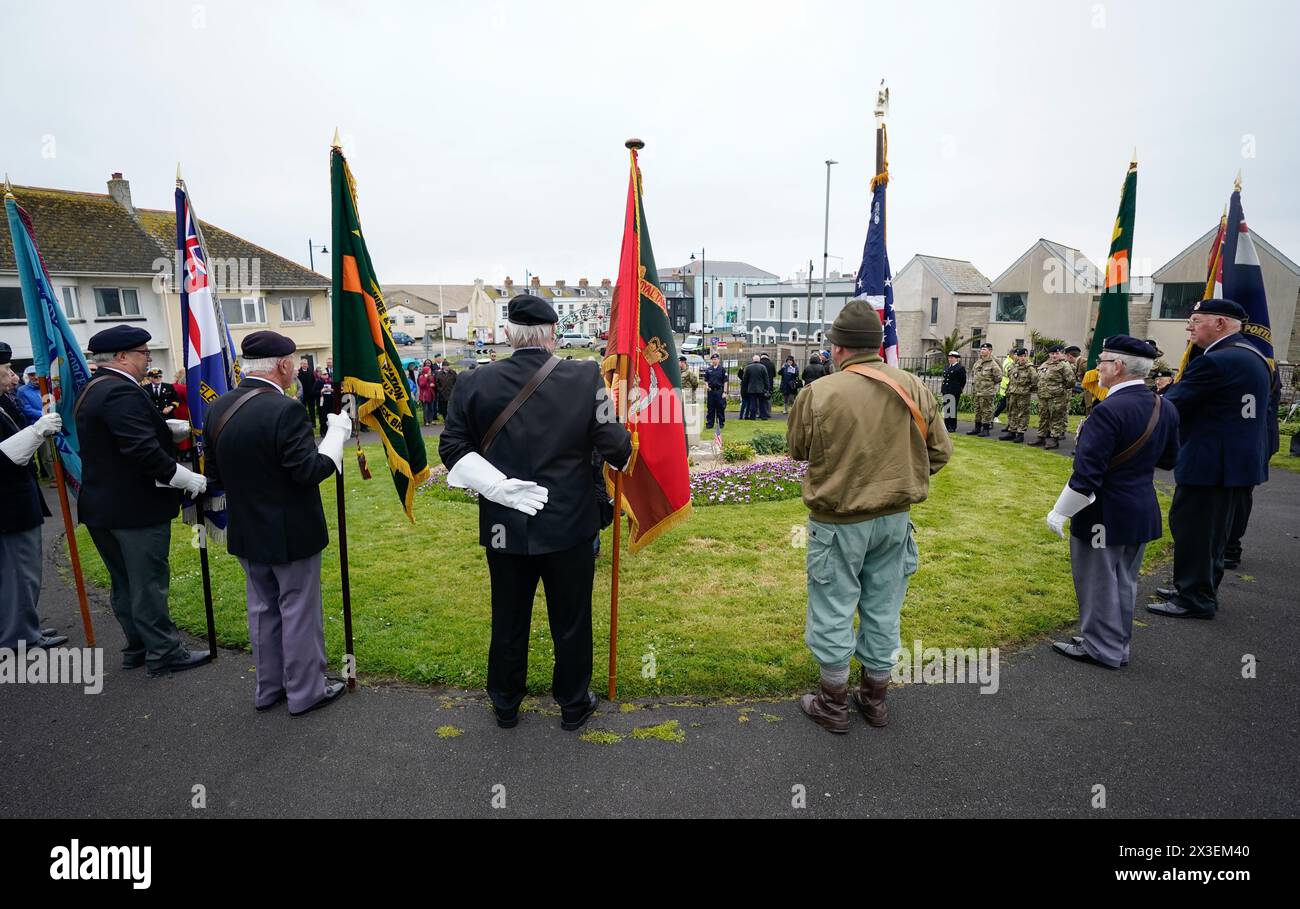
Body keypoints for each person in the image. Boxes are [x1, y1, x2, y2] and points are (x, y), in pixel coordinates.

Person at [438, 295, 632, 731]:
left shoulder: (473, 382)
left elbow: (451, 449)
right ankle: (573, 704)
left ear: (508, 334)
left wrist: (499, 488)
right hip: (569, 523)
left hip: (505, 524)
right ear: (552, 335)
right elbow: (614, 446)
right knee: (572, 620)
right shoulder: (585, 377)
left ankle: (505, 704)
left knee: (507, 617)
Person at [788, 302, 952, 733]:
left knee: (833, 605)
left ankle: (832, 703)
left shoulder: (819, 392)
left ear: (838, 347)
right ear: (877, 346)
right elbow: (941, 452)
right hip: (896, 519)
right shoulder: (914, 385)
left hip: (840, 522)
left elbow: (799, 451)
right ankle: (875, 700)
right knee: (883, 608)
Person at [206, 331, 351, 715]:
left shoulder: (220, 406)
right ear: (284, 365)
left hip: (247, 529)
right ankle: (306, 692)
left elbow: (214, 475)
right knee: (298, 611)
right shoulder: (284, 409)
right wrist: (336, 434)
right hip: (290, 531)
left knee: (263, 611)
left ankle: (268, 688)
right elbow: (308, 471)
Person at [75, 326, 210, 676]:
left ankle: (137, 645)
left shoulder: (93, 388)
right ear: (121, 357)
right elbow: (141, 450)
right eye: (142, 353)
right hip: (133, 507)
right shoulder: (121, 392)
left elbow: (119, 439)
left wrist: (165, 428)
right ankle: (164, 652)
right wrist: (184, 477)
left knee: (124, 582)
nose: (147, 358)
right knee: (147, 582)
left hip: (102, 505)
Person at [1046, 337, 1179, 668]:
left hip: (1104, 511)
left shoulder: (1107, 411)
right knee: (1123, 580)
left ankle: (1102, 648)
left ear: (1117, 367)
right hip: (1140, 507)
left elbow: (1086, 476)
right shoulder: (1165, 405)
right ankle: (1114, 643)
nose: (1097, 367)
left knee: (1098, 581)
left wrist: (1059, 512)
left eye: (1102, 361)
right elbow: (1168, 460)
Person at [1148, 299, 1271, 620]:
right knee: (1213, 532)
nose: (1189, 326)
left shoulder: (1216, 361)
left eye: (1196, 320)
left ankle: (1195, 598)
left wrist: (1141, 402)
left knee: (1196, 530)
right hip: (1234, 462)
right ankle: (1194, 586)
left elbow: (1173, 405)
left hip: (1212, 463)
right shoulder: (1252, 355)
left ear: (1220, 323)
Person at [0, 341, 68, 650]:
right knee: (18, 573)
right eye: (6, 370)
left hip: (16, 500)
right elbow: (5, 455)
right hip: (8, 505)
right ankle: (20, 635)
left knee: (21, 573)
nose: (13, 377)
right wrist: (37, 431)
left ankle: (26, 625)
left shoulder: (5, 401)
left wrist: (40, 418)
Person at [1032, 344, 1075, 449]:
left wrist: (1059, 388)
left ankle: (1054, 440)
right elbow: (1039, 378)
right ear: (1049, 354)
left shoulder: (1064, 365)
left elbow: (1071, 381)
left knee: (1056, 418)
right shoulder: (1044, 364)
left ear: (1061, 354)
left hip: (1057, 397)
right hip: (1043, 396)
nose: (1054, 356)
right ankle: (1041, 437)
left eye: (1057, 353)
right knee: (1043, 417)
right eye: (1052, 353)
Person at [17, 365, 53, 481]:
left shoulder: (47, 387)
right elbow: (26, 409)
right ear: (28, 377)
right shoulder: (22, 391)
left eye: (37, 374)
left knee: (58, 451)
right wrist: (44, 415)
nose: (36, 377)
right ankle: (54, 478)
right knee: (46, 454)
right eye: (32, 375)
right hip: (38, 426)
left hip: (53, 422)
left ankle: (62, 476)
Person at [999, 347, 1037, 443]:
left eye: (1025, 356)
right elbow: (1010, 379)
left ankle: (1020, 434)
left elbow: (1036, 382)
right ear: (1017, 357)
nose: (1023, 358)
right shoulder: (1013, 367)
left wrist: (1027, 389)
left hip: (1023, 395)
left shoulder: (1030, 368)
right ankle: (1012, 432)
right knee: (1012, 413)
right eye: (1021, 356)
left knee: (1022, 414)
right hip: (1013, 393)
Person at [966, 342, 1002, 437]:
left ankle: (986, 429)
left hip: (987, 392)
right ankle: (977, 428)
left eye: (984, 349)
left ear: (990, 351)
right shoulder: (978, 362)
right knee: (977, 410)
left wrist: (988, 384)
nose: (982, 351)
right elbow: (974, 375)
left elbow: (998, 377)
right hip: (977, 391)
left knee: (986, 410)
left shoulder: (993, 363)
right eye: (981, 349)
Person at [940, 351, 966, 433]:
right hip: (946, 390)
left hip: (954, 391)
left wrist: (959, 388)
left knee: (952, 409)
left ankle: (952, 426)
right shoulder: (947, 367)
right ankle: (946, 424)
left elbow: (963, 380)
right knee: (947, 408)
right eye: (949, 357)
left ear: (956, 359)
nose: (950, 359)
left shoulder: (959, 368)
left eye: (952, 358)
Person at [704, 353, 728, 431]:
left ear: (718, 360)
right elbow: (706, 380)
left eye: (715, 359)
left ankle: (720, 423)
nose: (714, 360)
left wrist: (724, 392)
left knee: (720, 408)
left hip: (719, 391)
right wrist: (707, 386)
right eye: (713, 359)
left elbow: (725, 381)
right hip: (711, 391)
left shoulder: (722, 369)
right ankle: (710, 424)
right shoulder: (708, 369)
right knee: (710, 408)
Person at [742, 355, 769, 421]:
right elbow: (766, 379)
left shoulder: (748, 367)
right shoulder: (763, 367)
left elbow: (745, 379)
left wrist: (745, 388)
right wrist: (767, 388)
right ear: (759, 360)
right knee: (762, 404)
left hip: (751, 388)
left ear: (753, 360)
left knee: (752, 404)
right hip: (761, 388)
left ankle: (752, 417)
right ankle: (764, 416)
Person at [991, 348, 1014, 424]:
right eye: (1016, 354)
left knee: (1004, 403)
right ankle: (994, 416)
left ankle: (994, 416)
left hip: (1006, 385)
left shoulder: (1008, 361)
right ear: (1012, 354)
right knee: (1004, 403)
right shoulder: (1009, 362)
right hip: (1007, 385)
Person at [297, 359, 318, 430]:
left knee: (312, 410)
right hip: (302, 395)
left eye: (305, 364)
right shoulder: (298, 372)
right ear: (301, 365)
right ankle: (304, 424)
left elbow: (314, 382)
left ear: (307, 364)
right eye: (303, 364)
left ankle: (313, 424)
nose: (304, 365)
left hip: (310, 395)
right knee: (303, 410)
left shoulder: (311, 371)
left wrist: (313, 391)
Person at [417, 359, 437, 426]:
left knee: (431, 408)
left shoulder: (431, 376)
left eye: (430, 370)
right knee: (426, 409)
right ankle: (426, 421)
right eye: (429, 370)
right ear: (426, 371)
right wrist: (426, 378)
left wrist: (433, 385)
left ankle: (431, 420)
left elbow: (433, 383)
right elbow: (421, 385)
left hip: (430, 394)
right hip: (424, 395)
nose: (430, 371)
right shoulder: (421, 377)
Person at [758, 353, 776, 419]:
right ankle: (768, 412)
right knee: (768, 398)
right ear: (768, 357)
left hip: (760, 384)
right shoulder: (771, 364)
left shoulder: (759, 363)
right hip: (769, 384)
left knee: (760, 399)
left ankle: (760, 413)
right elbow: (774, 375)